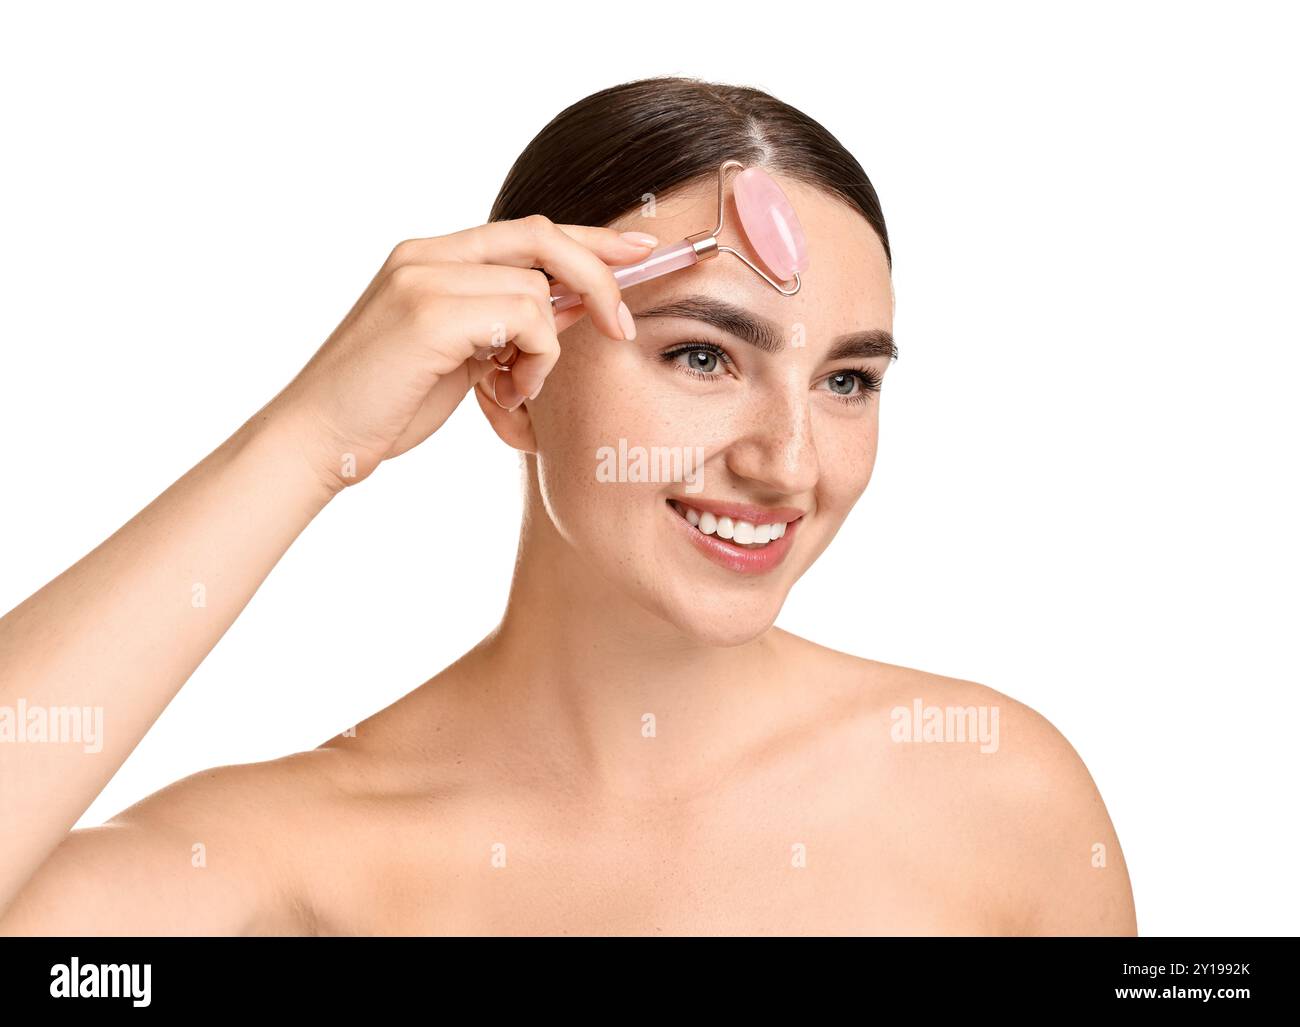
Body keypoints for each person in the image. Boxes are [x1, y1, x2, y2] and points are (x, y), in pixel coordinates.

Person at [0, 76, 1137, 935]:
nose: (788, 463)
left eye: (847, 380)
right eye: (702, 356)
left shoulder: (995, 790)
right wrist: (311, 441)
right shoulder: (286, 866)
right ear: (510, 372)